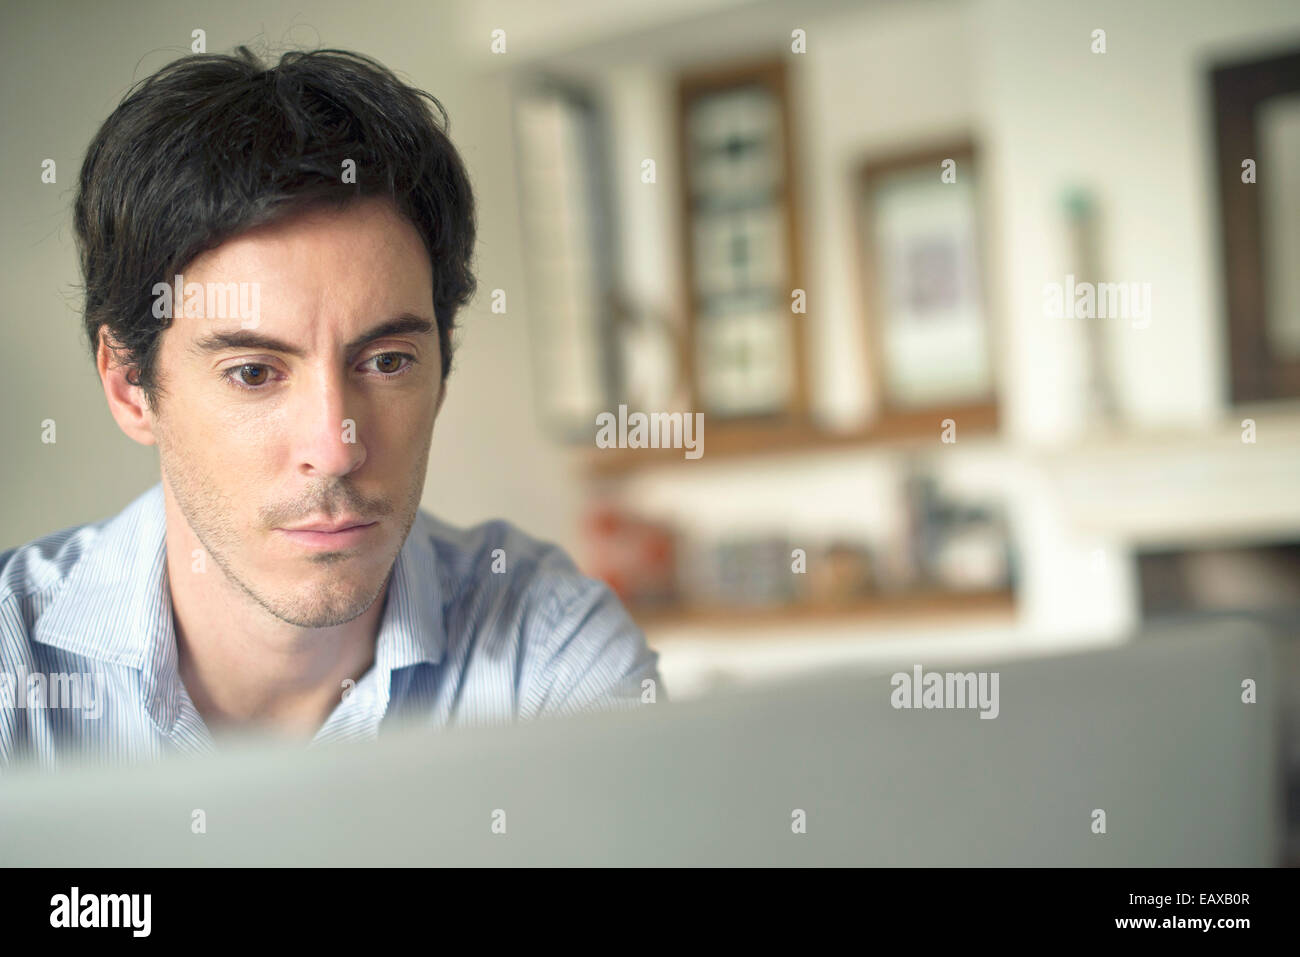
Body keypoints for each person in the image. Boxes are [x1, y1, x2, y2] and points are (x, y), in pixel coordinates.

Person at [0, 47, 662, 770]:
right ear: (131, 388)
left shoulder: (551, 653)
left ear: (443, 370)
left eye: (385, 362)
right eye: (253, 371)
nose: (338, 446)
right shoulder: (15, 666)